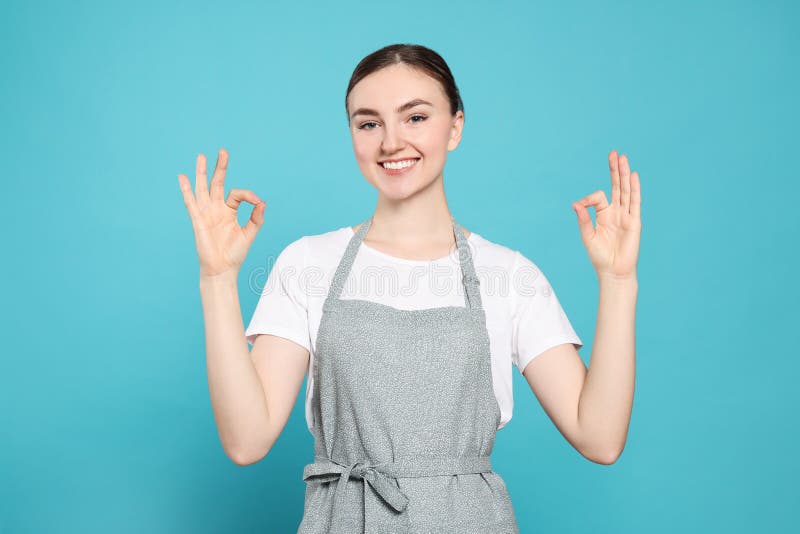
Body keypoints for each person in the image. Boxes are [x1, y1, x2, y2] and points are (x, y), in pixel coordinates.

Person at [178, 43, 641, 533]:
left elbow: (600, 437)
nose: (391, 142)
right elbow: (246, 441)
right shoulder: (308, 263)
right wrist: (218, 278)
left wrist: (618, 281)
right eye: (369, 123)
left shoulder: (508, 274)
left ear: (456, 126)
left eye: (415, 117)